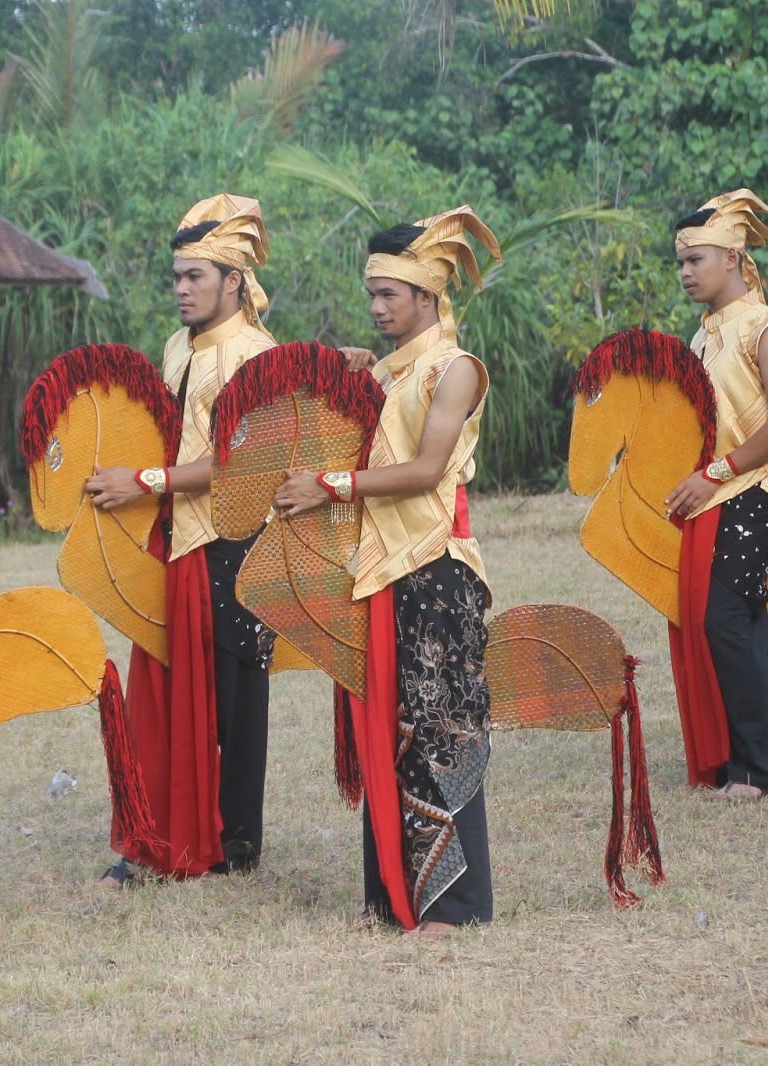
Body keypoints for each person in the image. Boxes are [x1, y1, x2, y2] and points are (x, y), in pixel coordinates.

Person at [274, 207, 500, 939]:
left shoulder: (454, 368)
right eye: (372, 294)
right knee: (390, 730)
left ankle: (454, 906)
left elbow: (428, 469)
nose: (376, 308)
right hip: (379, 570)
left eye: (390, 297)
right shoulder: (387, 369)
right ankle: (392, 895)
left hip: (435, 569)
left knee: (440, 727)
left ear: (429, 296)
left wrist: (330, 485)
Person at [86, 194, 278, 884]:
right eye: (175, 277)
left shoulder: (256, 355)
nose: (181, 289)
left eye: (195, 276)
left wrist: (144, 481)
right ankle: (160, 833)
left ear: (234, 280)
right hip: (174, 537)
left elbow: (239, 464)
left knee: (234, 697)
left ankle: (233, 845)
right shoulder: (177, 348)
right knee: (165, 692)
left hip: (234, 537)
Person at [663, 189, 768, 800]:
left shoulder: (767, 330)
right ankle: (727, 758)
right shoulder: (702, 337)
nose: (687, 272)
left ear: (732, 256)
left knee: (728, 620)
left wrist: (716, 474)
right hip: (710, 491)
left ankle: (756, 768)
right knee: (704, 621)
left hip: (750, 490)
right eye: (681, 262)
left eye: (697, 258)